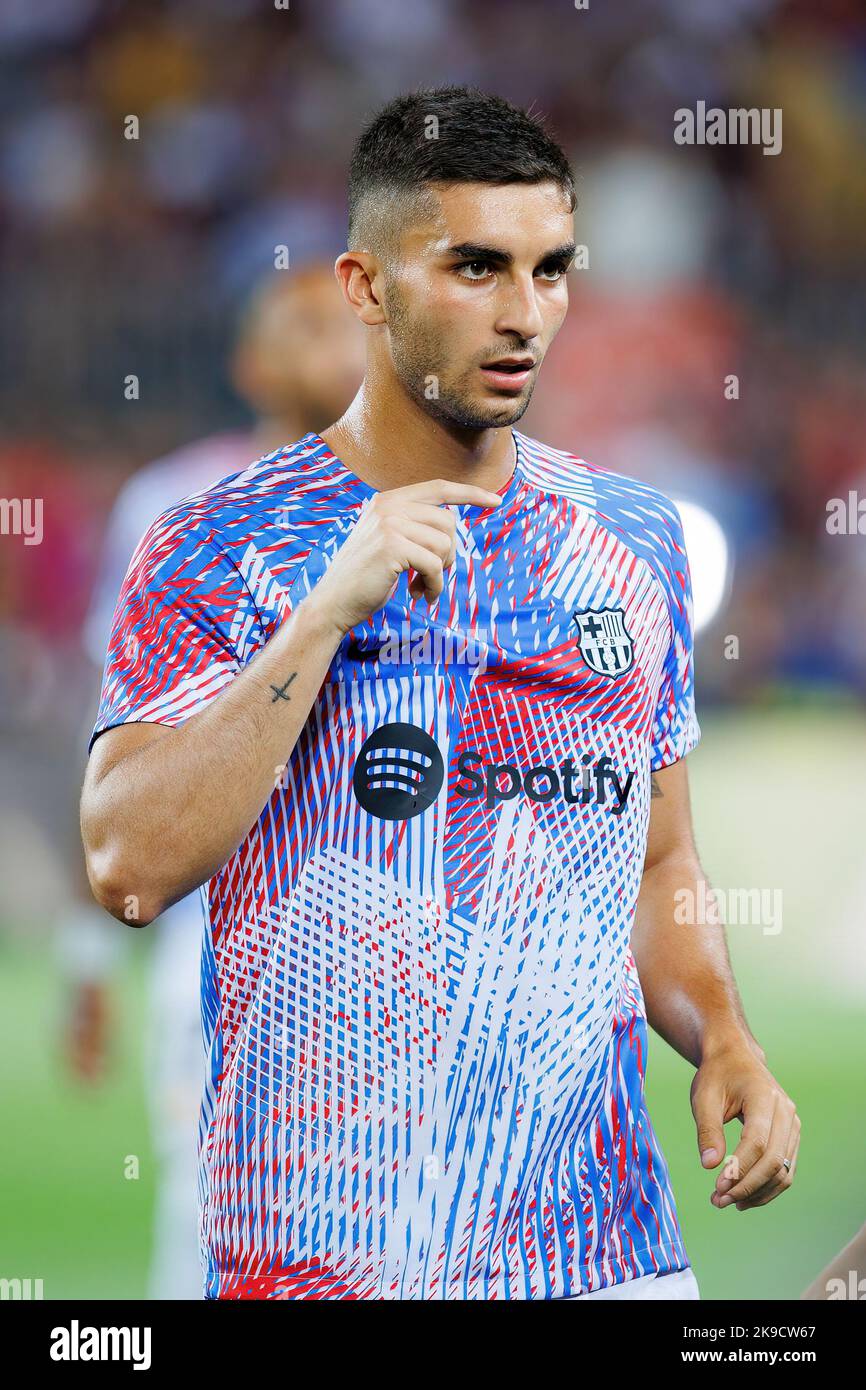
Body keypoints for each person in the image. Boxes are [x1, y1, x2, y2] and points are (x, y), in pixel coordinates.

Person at [80, 86, 799, 1301]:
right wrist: (324, 614)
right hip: (319, 1263)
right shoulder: (216, 541)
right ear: (367, 286)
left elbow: (659, 857)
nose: (525, 315)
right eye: (475, 267)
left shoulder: (631, 541)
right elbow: (129, 865)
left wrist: (721, 1033)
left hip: (600, 1259)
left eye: (550, 270)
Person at [63, 262, 363, 1298]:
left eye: (352, 324)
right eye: (309, 326)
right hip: (211, 921)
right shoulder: (177, 504)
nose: (344, 346)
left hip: (374, 929)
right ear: (254, 361)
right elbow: (114, 735)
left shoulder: (412, 506)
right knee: (215, 1218)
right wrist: (88, 954)